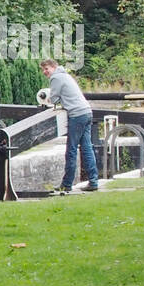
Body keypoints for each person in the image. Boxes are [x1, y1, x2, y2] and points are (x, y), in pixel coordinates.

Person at [40, 59, 98, 193]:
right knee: (87, 148)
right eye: (43, 69)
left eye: (46, 68)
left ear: (54, 67)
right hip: (87, 112)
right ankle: (93, 181)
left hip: (76, 115)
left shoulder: (56, 78)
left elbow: (53, 99)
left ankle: (66, 184)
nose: (45, 72)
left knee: (71, 150)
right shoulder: (66, 75)